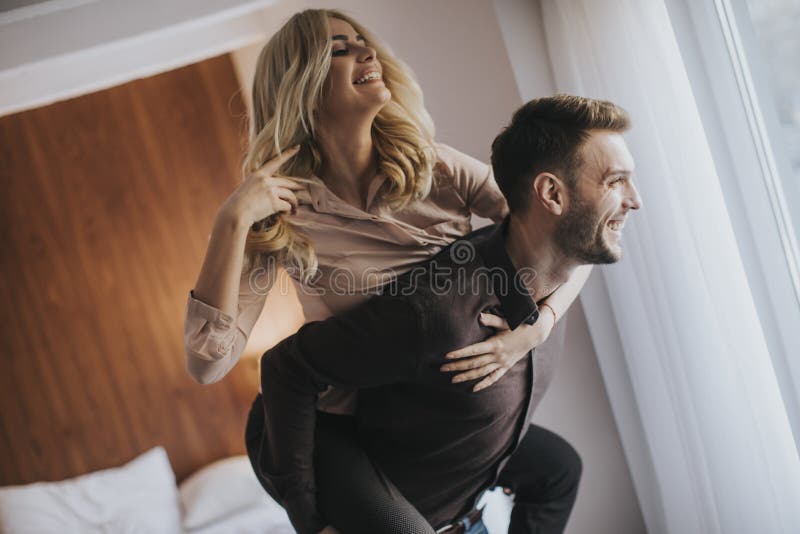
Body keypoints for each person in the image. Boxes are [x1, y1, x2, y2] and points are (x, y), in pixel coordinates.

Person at [184, 8, 590, 533]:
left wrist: (540, 325)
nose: (365, 52)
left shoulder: (436, 169)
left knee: (560, 470)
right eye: (339, 49)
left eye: (362, 41)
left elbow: (566, 241)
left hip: (439, 416)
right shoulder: (283, 218)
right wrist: (231, 220)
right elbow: (207, 366)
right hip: (359, 433)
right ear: (300, 84)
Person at [252, 94, 642, 534]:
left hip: (473, 504)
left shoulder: (557, 275)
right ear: (551, 194)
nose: (635, 200)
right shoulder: (434, 314)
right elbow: (286, 368)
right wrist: (309, 520)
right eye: (616, 182)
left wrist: (540, 326)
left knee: (560, 469)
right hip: (402, 516)